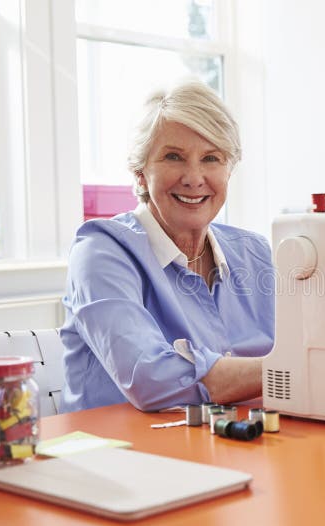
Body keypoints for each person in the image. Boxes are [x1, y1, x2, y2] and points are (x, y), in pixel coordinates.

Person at [59, 80, 275, 413]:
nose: (193, 177)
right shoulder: (101, 253)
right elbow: (151, 379)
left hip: (239, 445)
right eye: (173, 157)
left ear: (229, 170)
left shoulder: (255, 253)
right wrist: (291, 371)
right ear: (140, 173)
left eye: (211, 158)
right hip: (124, 456)